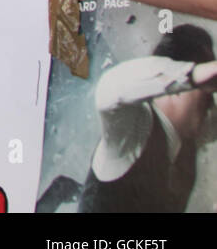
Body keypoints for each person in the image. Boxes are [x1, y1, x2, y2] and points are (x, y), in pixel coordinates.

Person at [79, 25, 217, 212]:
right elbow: (108, 90)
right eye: (207, 89)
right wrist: (194, 74)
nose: (211, 101)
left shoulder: (189, 142)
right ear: (178, 88)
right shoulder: (134, 125)